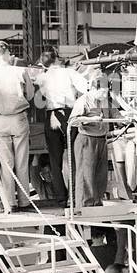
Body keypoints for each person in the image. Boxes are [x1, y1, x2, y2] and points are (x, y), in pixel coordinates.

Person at [0, 41, 36, 211]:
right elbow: (31, 94)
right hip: (18, 118)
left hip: (0, 120)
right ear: (7, 53)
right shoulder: (20, 71)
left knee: (6, 163)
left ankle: (9, 202)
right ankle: (25, 201)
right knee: (21, 161)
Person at [34, 47, 90, 204]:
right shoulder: (69, 73)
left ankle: (61, 196)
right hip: (68, 114)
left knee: (54, 159)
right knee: (73, 157)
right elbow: (86, 88)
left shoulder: (42, 77)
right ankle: (74, 195)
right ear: (57, 58)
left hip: (51, 115)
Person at [69, 86, 113, 207]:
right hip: (86, 139)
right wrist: (90, 119)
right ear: (94, 88)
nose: (105, 93)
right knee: (86, 177)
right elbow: (72, 121)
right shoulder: (83, 100)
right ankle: (84, 208)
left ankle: (97, 206)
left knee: (100, 176)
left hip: (101, 140)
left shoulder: (105, 101)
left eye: (107, 91)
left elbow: (116, 113)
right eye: (103, 90)